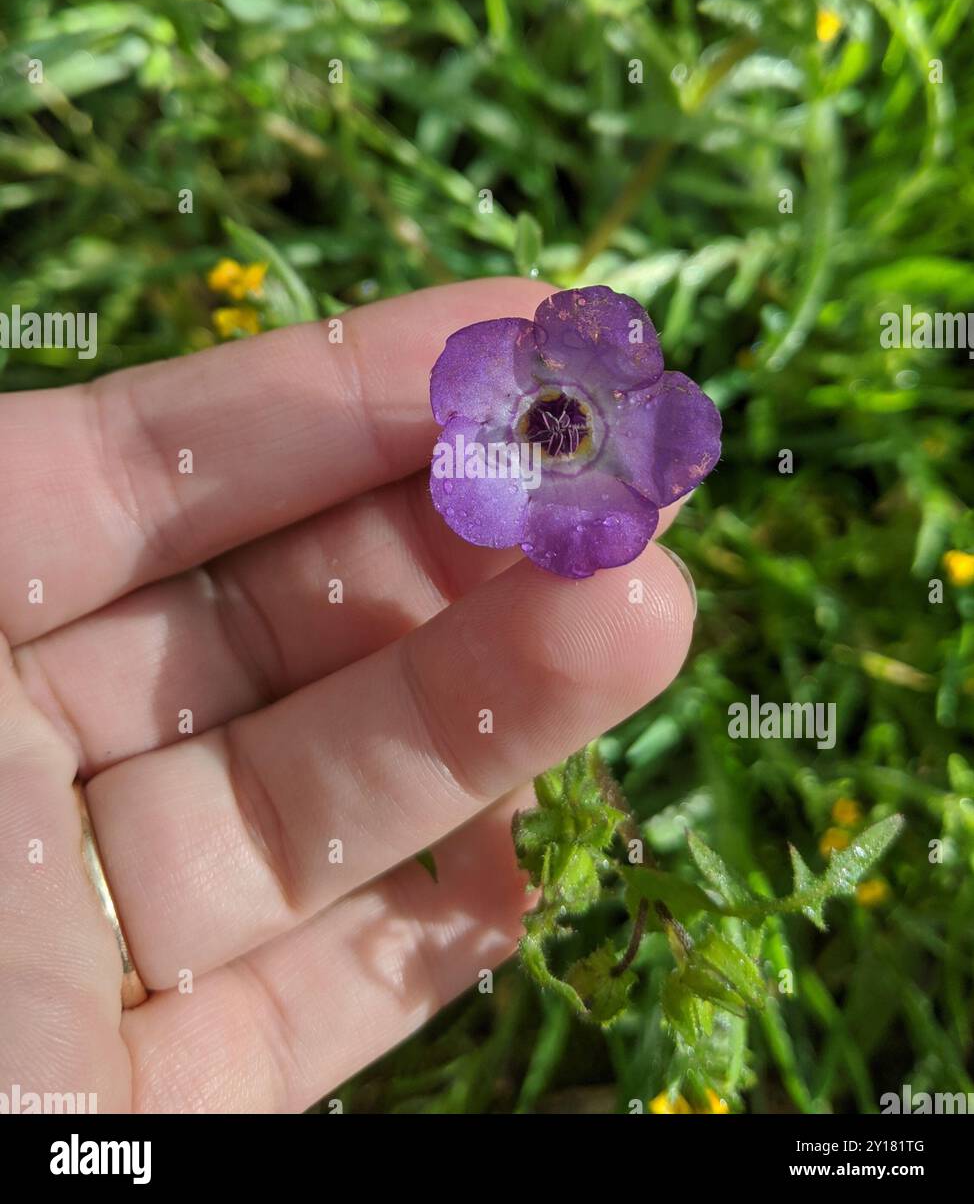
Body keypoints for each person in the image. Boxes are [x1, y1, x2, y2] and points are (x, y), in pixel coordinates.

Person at [0, 278, 695, 1113]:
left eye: (568, 423)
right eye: (550, 414)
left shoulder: (621, 443)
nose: (556, 425)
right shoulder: (497, 402)